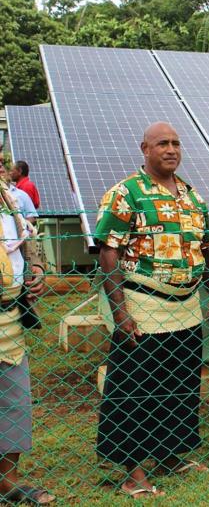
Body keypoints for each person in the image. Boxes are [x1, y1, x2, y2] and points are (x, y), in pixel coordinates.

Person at [95, 122, 209, 498]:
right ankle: (133, 472)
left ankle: (169, 455)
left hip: (186, 307)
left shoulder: (192, 196)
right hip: (143, 304)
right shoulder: (125, 194)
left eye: (176, 143)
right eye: (162, 143)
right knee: (137, 388)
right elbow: (108, 252)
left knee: (180, 385)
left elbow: (205, 248)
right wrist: (120, 313)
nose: (171, 149)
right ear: (144, 149)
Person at [0, 173, 53, 504]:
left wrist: (36, 268)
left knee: (15, 400)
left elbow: (26, 238)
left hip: (10, 316)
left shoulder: (9, 198)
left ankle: (7, 479)